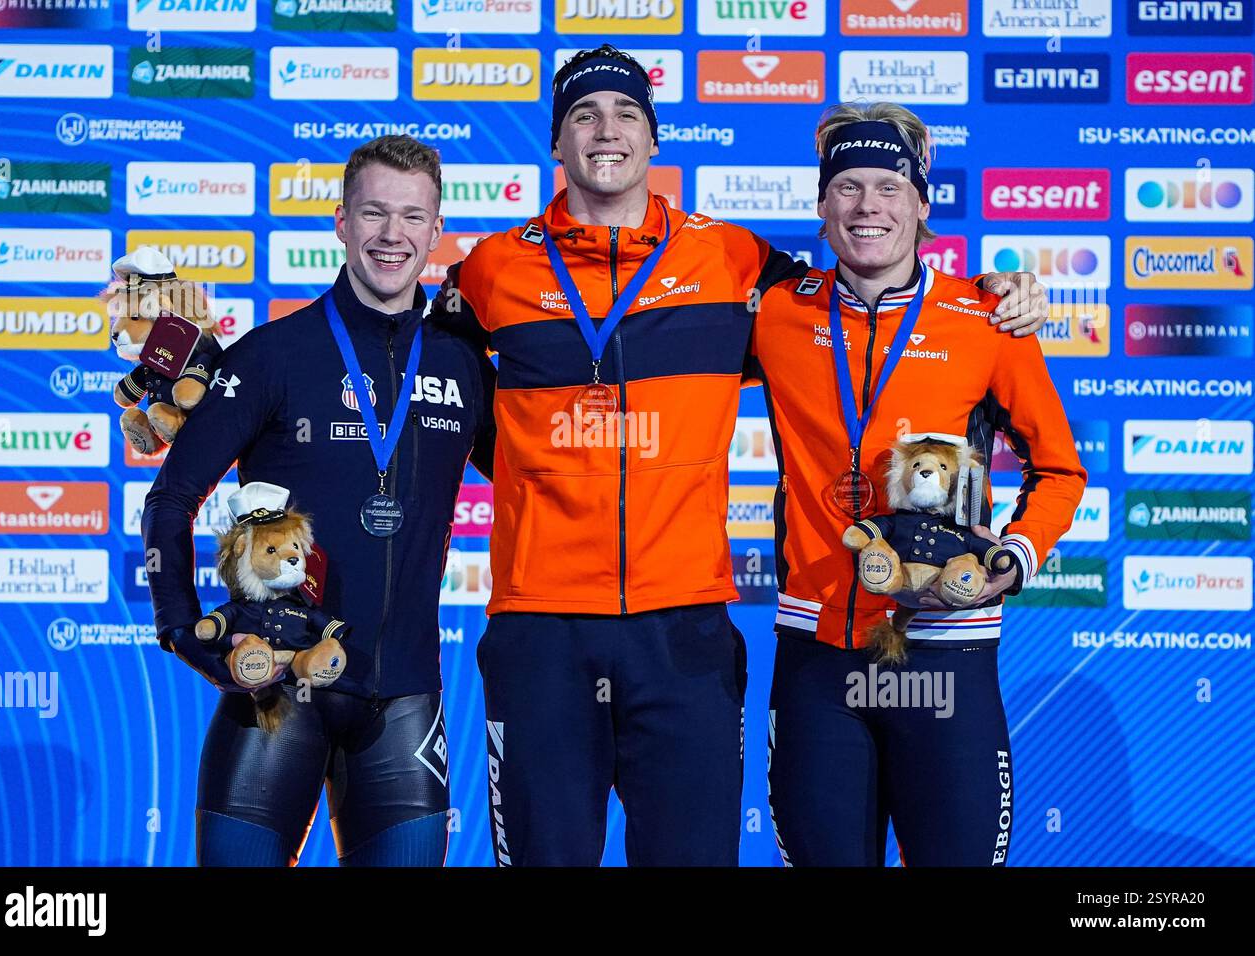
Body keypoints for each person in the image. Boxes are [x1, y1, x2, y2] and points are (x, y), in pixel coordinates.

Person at [434, 46, 1051, 866]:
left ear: (655, 141)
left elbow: (869, 307)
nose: (606, 131)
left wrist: (1002, 290)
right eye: (584, 115)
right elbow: (430, 383)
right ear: (556, 142)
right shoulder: (490, 268)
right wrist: (511, 461)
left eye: (626, 115)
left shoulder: (734, 263)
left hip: (689, 626)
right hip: (542, 624)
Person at [142, 135, 496, 867]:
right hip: (273, 696)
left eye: (411, 217)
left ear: (437, 230)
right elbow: (171, 497)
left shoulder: (464, 367)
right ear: (341, 222)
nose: (391, 235)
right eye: (373, 214)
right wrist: (187, 633)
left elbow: (546, 481)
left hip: (404, 703)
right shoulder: (274, 354)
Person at [749, 102, 1087, 866]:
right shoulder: (774, 313)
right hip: (818, 656)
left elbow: (1060, 469)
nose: (869, 206)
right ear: (820, 205)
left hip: (945, 655)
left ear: (923, 203)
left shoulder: (985, 318)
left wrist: (1011, 560)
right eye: (848, 187)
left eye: (890, 188)